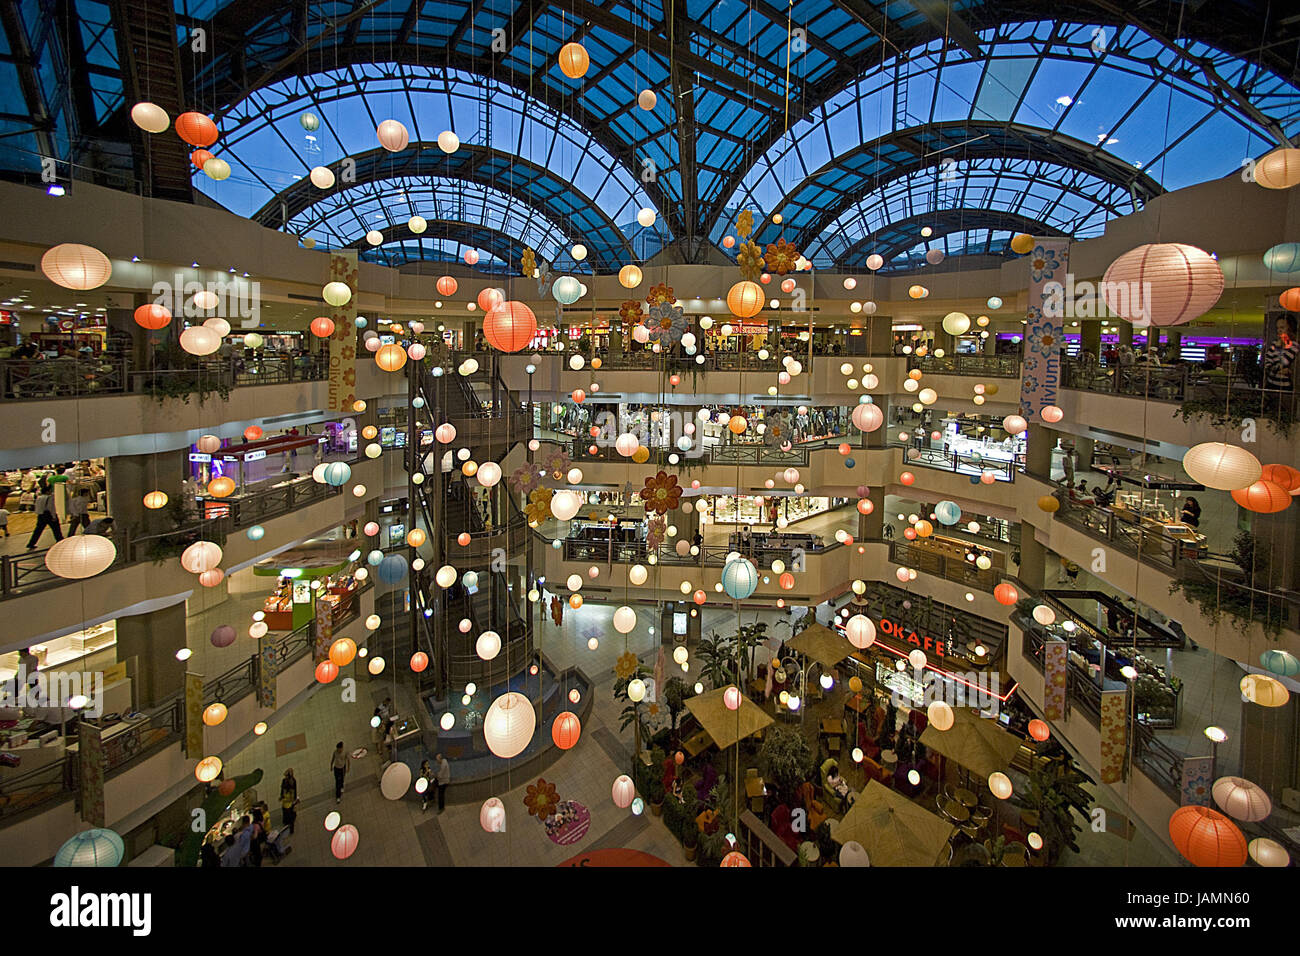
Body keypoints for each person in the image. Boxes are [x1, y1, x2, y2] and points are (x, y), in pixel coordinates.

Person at [25, 483, 62, 550]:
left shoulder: (39, 498)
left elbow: (37, 507)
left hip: (41, 515)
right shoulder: (50, 498)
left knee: (38, 530)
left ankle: (31, 543)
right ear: (47, 491)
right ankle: (60, 540)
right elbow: (51, 508)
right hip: (48, 515)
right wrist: (54, 516)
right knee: (56, 529)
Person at [279, 769, 299, 833]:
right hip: (288, 803)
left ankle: (290, 827)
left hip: (288, 804)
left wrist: (282, 798)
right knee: (290, 815)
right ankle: (289, 824)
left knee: (289, 816)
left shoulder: (289, 783)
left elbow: (291, 796)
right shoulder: (292, 781)